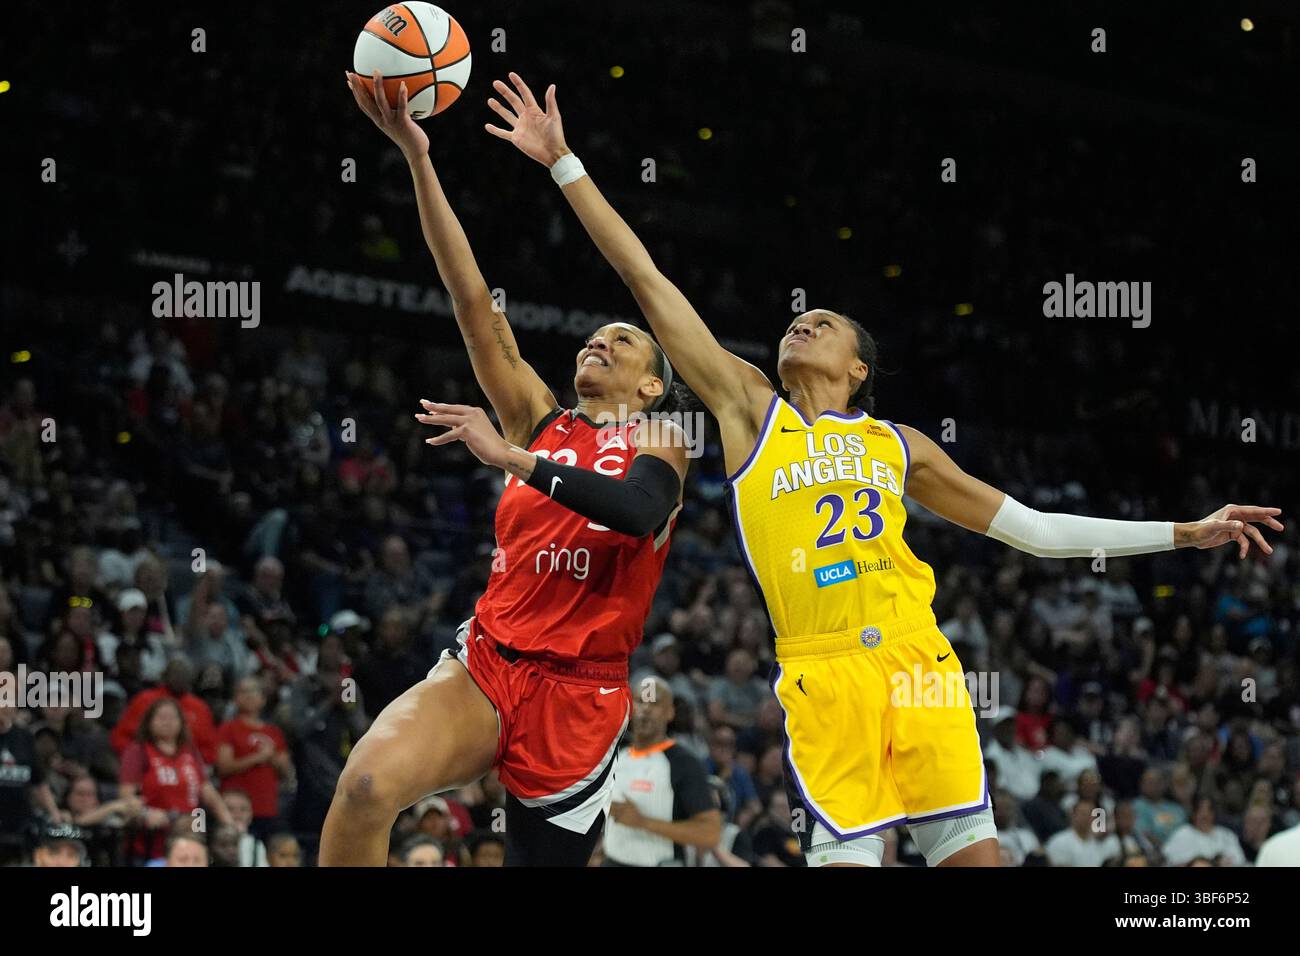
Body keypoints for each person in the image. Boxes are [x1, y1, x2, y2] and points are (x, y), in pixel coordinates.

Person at [483, 70, 1284, 867]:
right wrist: (564, 164)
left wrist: (1187, 531)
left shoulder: (900, 445)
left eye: (822, 322)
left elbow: (1036, 532)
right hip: (822, 671)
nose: (802, 324)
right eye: (796, 319)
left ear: (858, 368)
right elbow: (646, 281)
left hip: (918, 660)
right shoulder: (750, 408)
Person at [321, 71, 689, 868]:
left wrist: (514, 459)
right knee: (364, 789)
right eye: (594, 335)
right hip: (489, 662)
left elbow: (633, 512)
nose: (600, 340)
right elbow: (470, 302)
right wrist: (418, 157)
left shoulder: (663, 439)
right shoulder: (541, 416)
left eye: (623, 341)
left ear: (653, 383)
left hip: (581, 696)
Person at [603, 678, 721, 866]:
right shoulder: (617, 755)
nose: (646, 709)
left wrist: (642, 822)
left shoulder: (683, 763)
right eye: (640, 701)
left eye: (655, 703)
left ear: (670, 712)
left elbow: (710, 834)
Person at [118, 697, 234, 860]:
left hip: (189, 833)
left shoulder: (190, 752)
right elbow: (126, 795)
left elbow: (207, 790)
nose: (168, 722)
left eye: (173, 717)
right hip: (150, 839)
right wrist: (145, 814)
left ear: (181, 722)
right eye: (161, 717)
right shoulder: (138, 751)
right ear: (149, 722)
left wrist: (228, 822)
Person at [215, 676, 292, 834]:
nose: (249, 695)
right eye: (244, 691)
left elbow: (286, 771)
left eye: (254, 691)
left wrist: (270, 757)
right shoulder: (228, 728)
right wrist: (258, 757)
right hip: (235, 810)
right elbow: (223, 767)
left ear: (263, 699)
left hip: (267, 807)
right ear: (235, 699)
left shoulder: (273, 732)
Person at [1162, 795, 1246, 866]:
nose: (1204, 815)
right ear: (1194, 814)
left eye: (1209, 810)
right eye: (1200, 810)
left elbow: (1239, 860)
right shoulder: (1182, 834)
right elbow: (1171, 861)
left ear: (1214, 814)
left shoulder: (1227, 834)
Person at [1044, 800, 1122, 867]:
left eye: (1091, 814)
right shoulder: (1059, 841)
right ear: (1073, 815)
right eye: (1083, 814)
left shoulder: (1099, 842)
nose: (1087, 817)